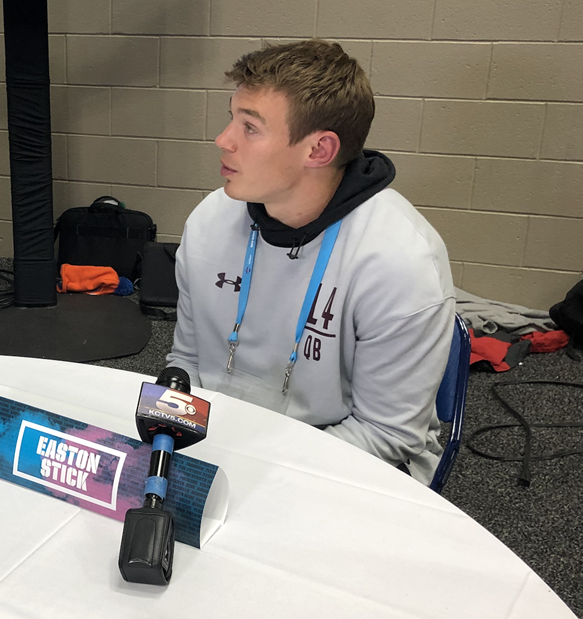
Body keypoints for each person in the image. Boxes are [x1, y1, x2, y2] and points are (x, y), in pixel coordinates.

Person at [165, 40, 455, 484]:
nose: (223, 140)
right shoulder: (209, 220)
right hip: (225, 443)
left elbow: (387, 435)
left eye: (250, 127)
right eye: (231, 118)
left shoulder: (400, 261)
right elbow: (186, 359)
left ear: (318, 150)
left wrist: (255, 476)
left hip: (342, 461)